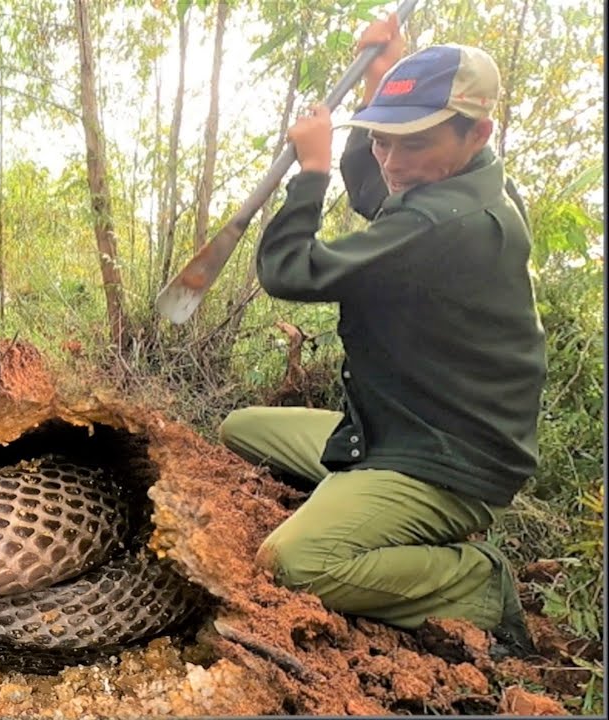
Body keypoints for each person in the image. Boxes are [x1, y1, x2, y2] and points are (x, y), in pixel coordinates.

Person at [218, 16, 545, 659]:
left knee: (292, 562)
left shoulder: (455, 223)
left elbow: (293, 271)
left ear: (477, 131)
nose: (391, 161)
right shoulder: (461, 179)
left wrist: (309, 174)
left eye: (412, 142)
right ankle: (363, 502)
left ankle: (475, 584)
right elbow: (378, 188)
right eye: (381, 139)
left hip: (448, 463)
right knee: (240, 429)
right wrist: (382, 75)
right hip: (391, 432)